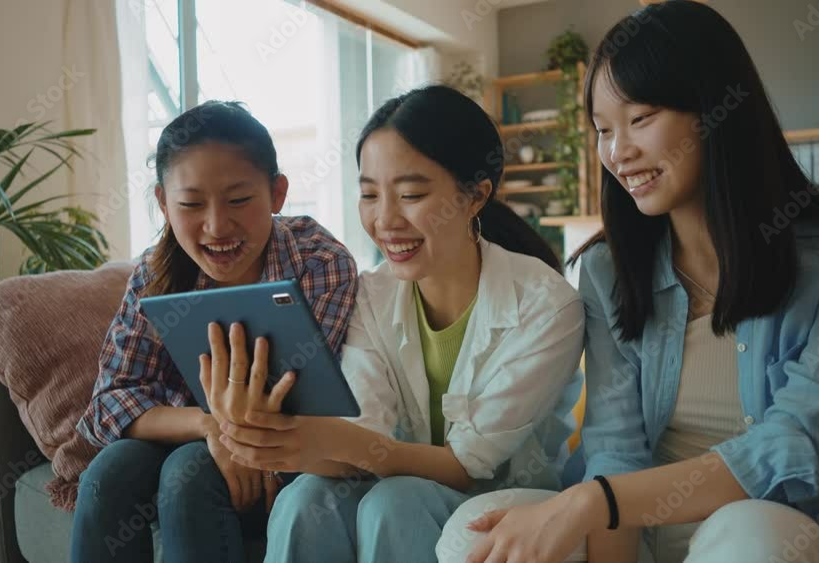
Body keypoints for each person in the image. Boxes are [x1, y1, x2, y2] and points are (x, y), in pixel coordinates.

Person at [445, 2, 819, 563]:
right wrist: (599, 508)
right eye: (603, 130)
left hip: (768, 528)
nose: (618, 152)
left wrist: (593, 502)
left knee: (750, 539)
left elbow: (798, 448)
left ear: (716, 111)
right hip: (634, 527)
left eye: (640, 119)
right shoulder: (610, 270)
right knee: (474, 528)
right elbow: (614, 446)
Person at [203, 85, 585, 563]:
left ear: (475, 196)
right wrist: (266, 439)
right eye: (368, 195)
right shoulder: (374, 294)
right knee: (305, 497)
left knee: (395, 501)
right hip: (395, 485)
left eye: (411, 194)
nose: (385, 220)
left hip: (505, 502)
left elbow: (469, 465)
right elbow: (363, 431)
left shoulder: (547, 305)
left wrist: (339, 441)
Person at [72, 101, 358, 563]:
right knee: (109, 471)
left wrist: (227, 437)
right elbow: (111, 400)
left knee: (189, 472)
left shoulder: (319, 263)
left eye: (239, 200)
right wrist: (210, 426)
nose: (216, 226)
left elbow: (310, 400)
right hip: (195, 435)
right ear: (165, 204)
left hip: (293, 448)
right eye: (190, 204)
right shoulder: (154, 273)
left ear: (278, 193)